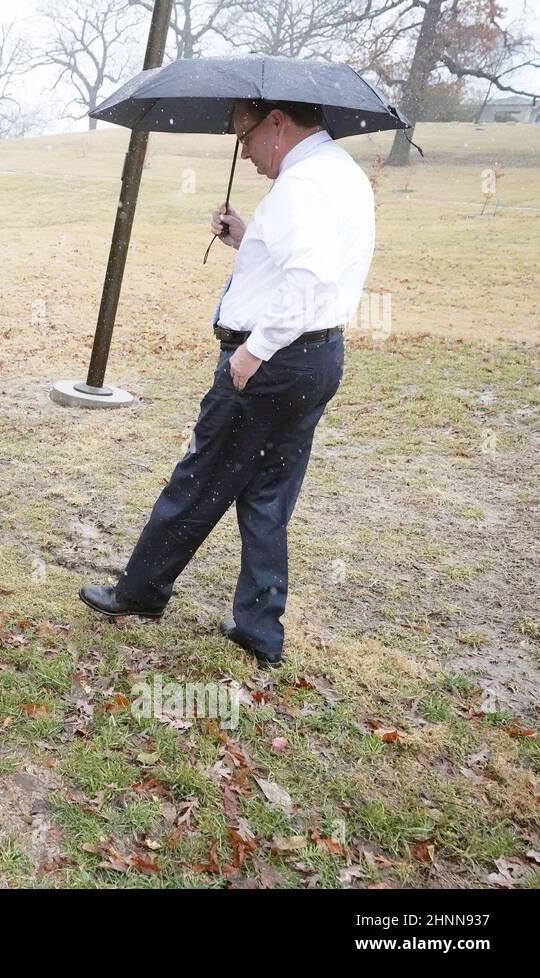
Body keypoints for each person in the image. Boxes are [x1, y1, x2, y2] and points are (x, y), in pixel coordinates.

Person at [79, 98, 376, 668]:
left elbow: (309, 277)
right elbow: (307, 264)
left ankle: (139, 592)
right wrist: (249, 237)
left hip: (272, 363)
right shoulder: (340, 174)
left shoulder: (300, 187)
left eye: (245, 135)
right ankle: (258, 628)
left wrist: (252, 353)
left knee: (200, 476)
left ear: (276, 123)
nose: (245, 150)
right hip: (317, 358)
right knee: (268, 493)